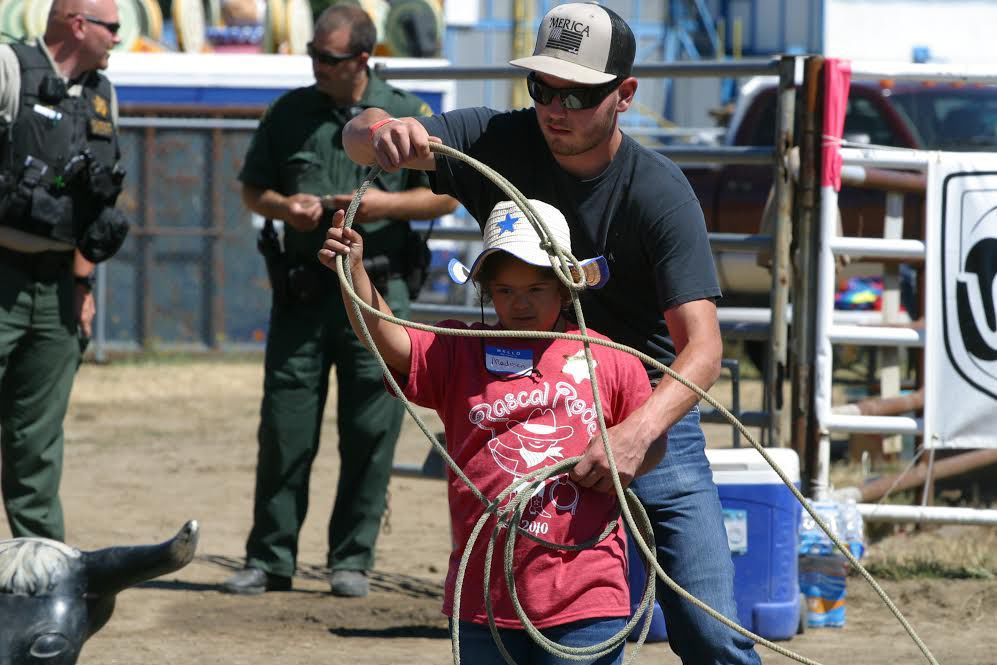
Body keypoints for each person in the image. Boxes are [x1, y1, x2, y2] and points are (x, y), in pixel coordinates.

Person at [341, 3, 763, 662]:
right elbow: (359, 132)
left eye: (578, 93)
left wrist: (638, 430)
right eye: (542, 87)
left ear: (624, 95)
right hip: (532, 396)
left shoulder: (657, 194)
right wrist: (380, 130)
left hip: (642, 404)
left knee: (707, 626)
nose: (554, 107)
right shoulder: (496, 140)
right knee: (527, 603)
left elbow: (701, 348)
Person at [319, 197, 658, 664]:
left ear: (566, 287)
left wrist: (626, 453)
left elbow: (651, 441)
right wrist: (353, 271)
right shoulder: (460, 351)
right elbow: (388, 338)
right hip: (485, 594)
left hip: (585, 595)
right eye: (504, 290)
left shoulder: (611, 359)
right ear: (485, 290)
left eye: (537, 288)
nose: (520, 304)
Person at [221, 4, 457, 598]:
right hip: (304, 292)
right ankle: (269, 556)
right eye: (313, 55)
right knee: (284, 427)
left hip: (377, 290)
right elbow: (253, 189)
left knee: (371, 428)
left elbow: (444, 198)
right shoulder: (289, 113)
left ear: (362, 59)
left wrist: (385, 207)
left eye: (328, 58)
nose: (316, 66)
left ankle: (351, 559)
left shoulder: (406, 113)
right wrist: (285, 208)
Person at [0, 0, 128, 540]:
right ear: (78, 25)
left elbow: (95, 203)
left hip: (56, 286)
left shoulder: (103, 95)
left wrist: (83, 281)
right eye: (113, 27)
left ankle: (40, 569)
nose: (119, 39)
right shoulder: (9, 70)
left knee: (38, 438)